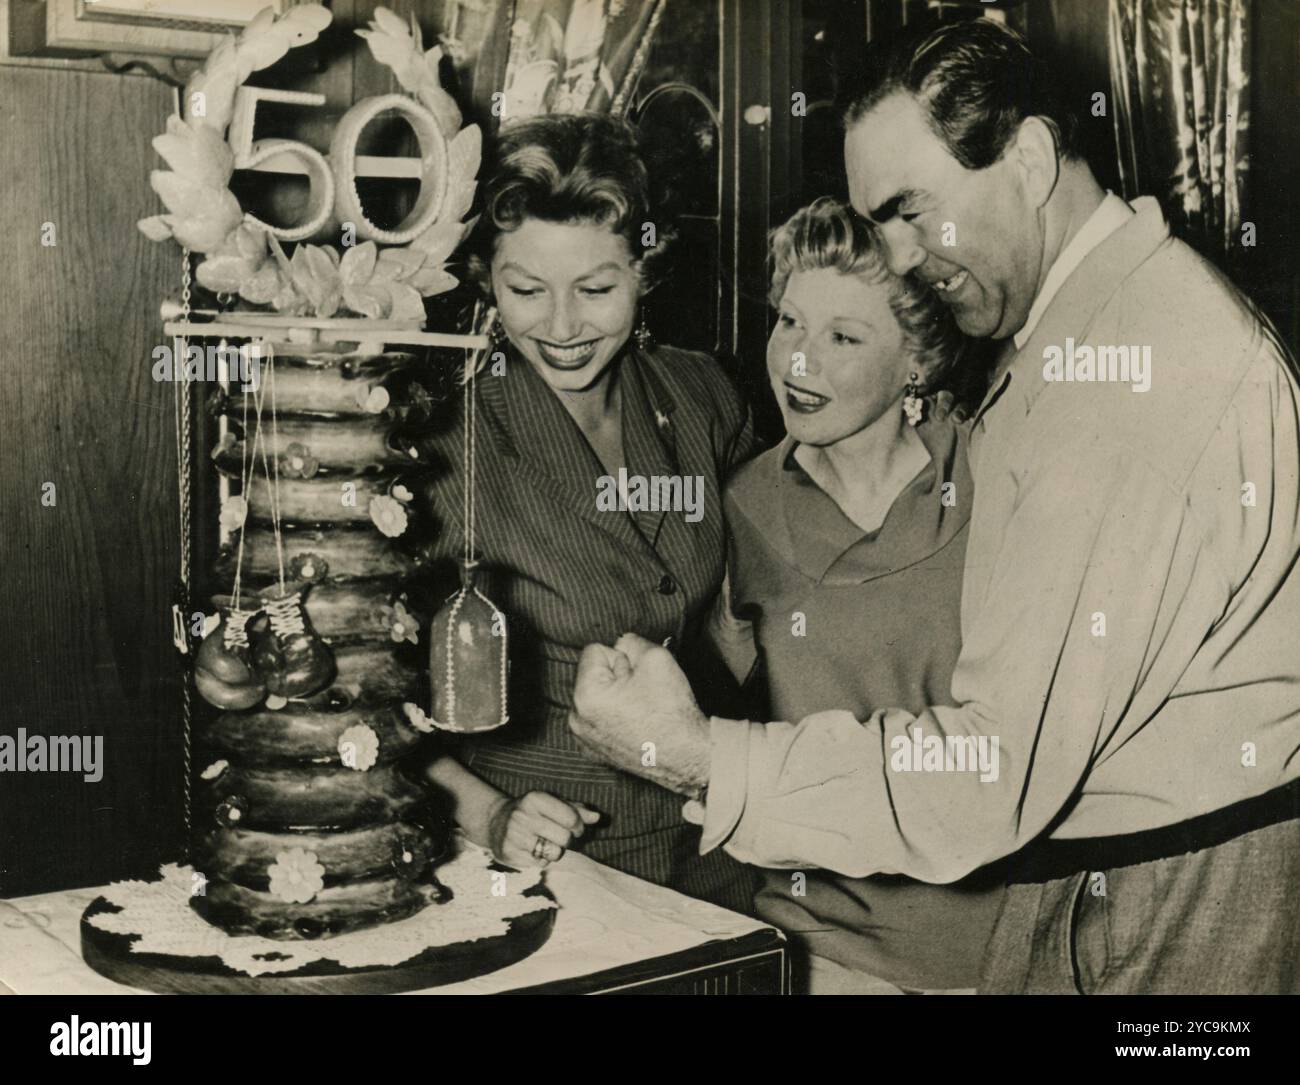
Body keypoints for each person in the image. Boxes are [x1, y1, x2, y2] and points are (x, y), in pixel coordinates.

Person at [567, 19, 1300, 993]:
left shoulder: (1126, 376)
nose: (903, 258)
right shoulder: (1087, 336)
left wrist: (704, 758)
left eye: (913, 211)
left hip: (1174, 900)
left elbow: (987, 772)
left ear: (1030, 158)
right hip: (1121, 882)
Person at [418, 112, 757, 913]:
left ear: (648, 267)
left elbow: (767, 603)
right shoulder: (441, 440)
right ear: (486, 279)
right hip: (544, 869)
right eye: (525, 290)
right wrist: (491, 813)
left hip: (722, 849)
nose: (562, 328)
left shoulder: (703, 394)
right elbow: (361, 705)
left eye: (597, 289)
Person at [708, 196, 1002, 994]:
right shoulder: (740, 508)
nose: (798, 362)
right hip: (818, 951)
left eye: (842, 338)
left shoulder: (995, 474)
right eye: (789, 323)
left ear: (918, 359)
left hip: (1008, 950)